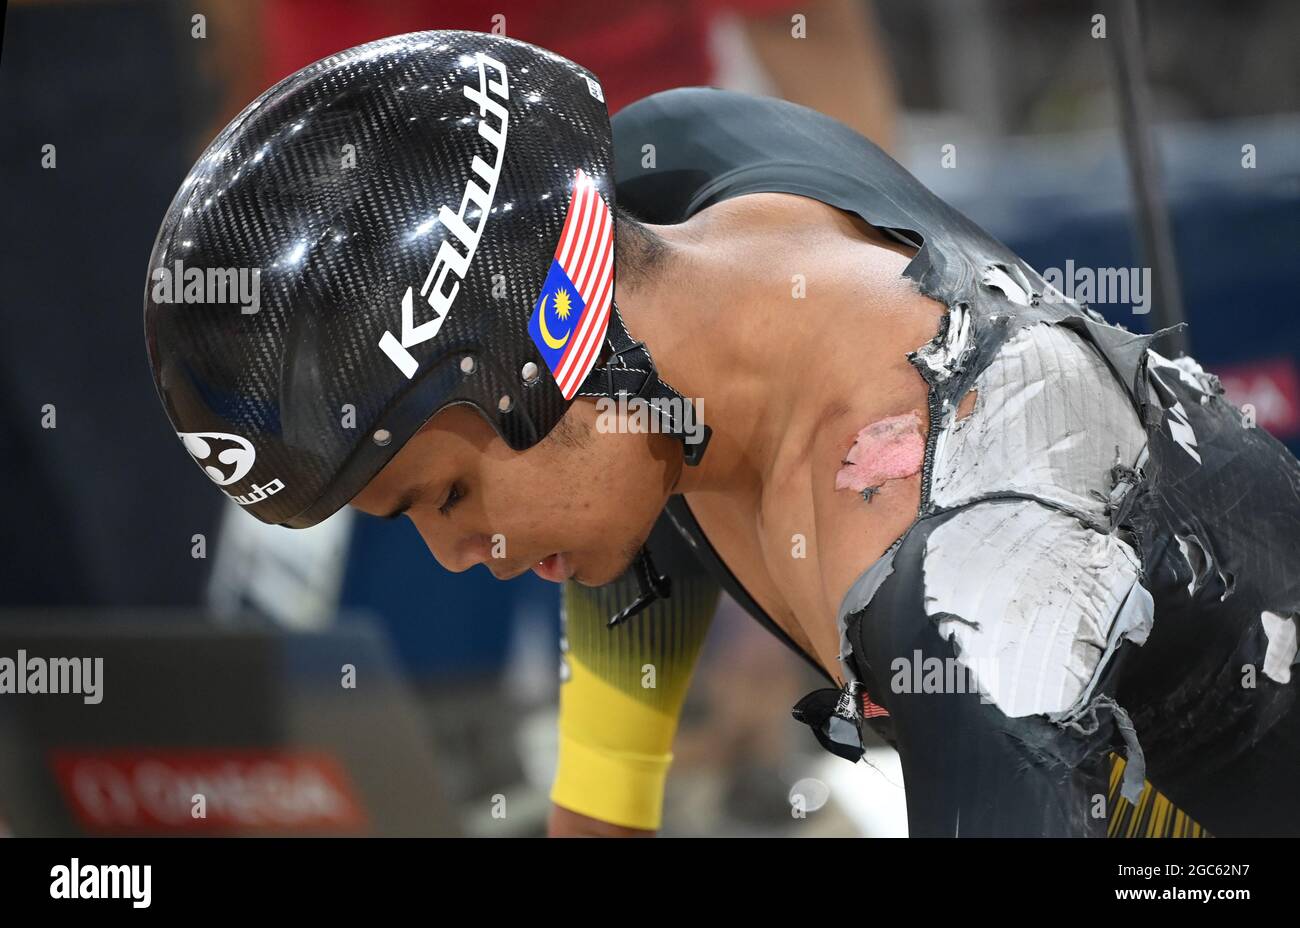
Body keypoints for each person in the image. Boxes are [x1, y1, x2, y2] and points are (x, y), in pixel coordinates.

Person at [144, 31, 1300, 837]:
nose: (459, 552)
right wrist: (600, 803)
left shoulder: (965, 579)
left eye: (446, 496)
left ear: (554, 342)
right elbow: (625, 476)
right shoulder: (678, 191)